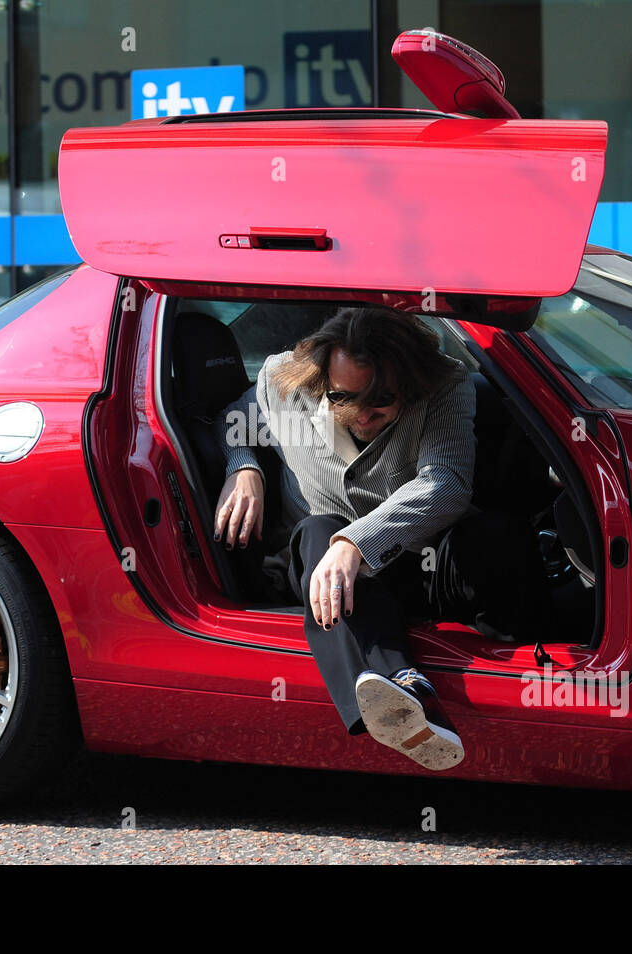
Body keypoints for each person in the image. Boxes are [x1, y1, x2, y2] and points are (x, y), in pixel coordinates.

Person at [213, 305, 550, 770]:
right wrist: (243, 467)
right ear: (320, 376)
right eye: (343, 398)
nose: (363, 417)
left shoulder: (445, 387)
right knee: (318, 531)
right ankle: (399, 692)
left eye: (382, 402)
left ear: (409, 383)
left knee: (499, 532)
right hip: (325, 571)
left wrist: (357, 543)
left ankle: (520, 686)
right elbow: (233, 417)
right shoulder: (279, 379)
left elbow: (447, 482)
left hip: (419, 562)